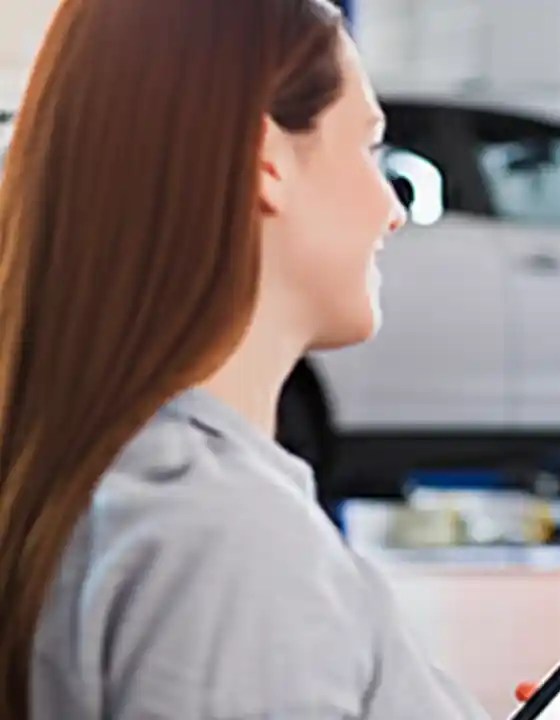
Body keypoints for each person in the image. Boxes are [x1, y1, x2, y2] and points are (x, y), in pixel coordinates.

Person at [0, 1, 488, 718]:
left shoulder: (111, 481)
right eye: (369, 148)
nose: (394, 208)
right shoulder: (224, 539)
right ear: (267, 162)